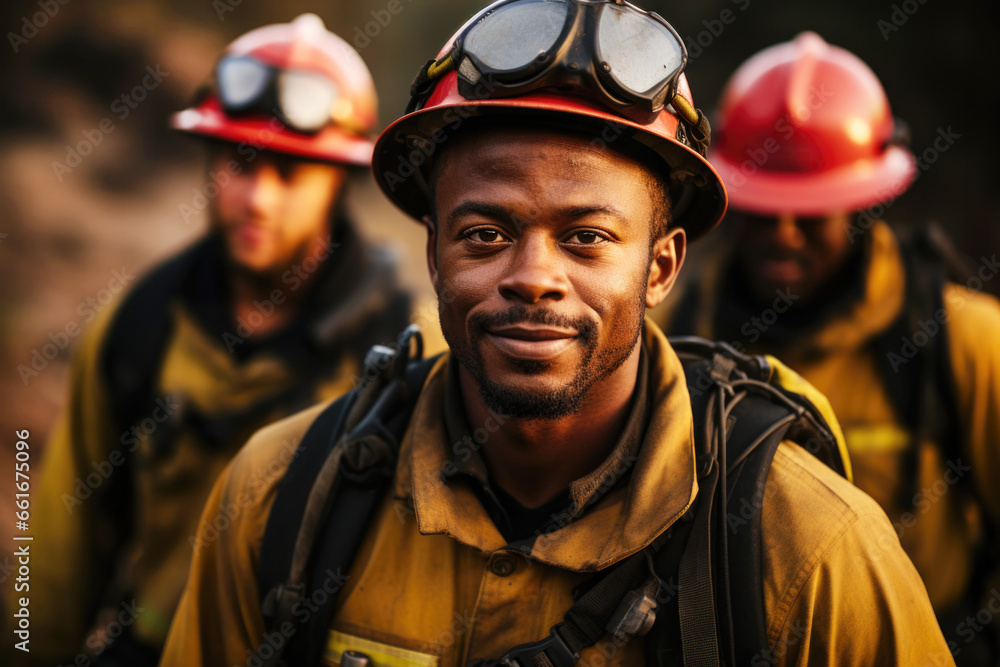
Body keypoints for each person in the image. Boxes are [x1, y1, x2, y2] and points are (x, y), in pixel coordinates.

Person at [162, 3, 952, 666]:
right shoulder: (281, 498)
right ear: (432, 252)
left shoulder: (811, 552)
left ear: (662, 266)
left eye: (587, 238)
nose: (533, 274)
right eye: (483, 232)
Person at [8, 14, 420, 667]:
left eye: (290, 172)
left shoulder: (405, 345)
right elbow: (59, 555)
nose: (256, 198)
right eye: (240, 163)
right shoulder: (136, 327)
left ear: (337, 182)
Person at [654, 31, 1000, 666]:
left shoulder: (968, 344)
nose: (783, 234)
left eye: (810, 212)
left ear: (862, 205)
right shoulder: (673, 341)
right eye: (762, 208)